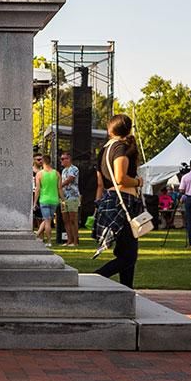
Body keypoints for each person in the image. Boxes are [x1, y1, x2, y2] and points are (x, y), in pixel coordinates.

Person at [92, 114, 144, 289]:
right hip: (124, 202)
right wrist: (137, 182)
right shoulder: (120, 148)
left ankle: (127, 290)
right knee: (129, 256)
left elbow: (101, 181)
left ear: (110, 130)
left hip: (111, 200)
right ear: (128, 129)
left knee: (125, 252)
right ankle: (96, 277)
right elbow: (120, 177)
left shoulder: (104, 150)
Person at [32, 155, 59, 246]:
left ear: (43, 162)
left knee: (47, 221)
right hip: (54, 199)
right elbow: (59, 188)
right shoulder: (56, 173)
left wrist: (35, 202)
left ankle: (49, 241)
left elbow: (37, 189)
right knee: (48, 220)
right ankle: (38, 233)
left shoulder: (39, 174)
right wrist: (62, 199)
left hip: (44, 199)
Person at [59, 152, 80, 246]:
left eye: (63, 159)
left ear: (69, 159)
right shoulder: (63, 171)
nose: (62, 161)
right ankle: (69, 240)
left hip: (73, 196)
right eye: (61, 159)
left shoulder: (74, 169)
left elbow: (70, 179)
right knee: (65, 219)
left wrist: (59, 186)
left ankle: (75, 241)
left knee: (73, 219)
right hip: (64, 197)